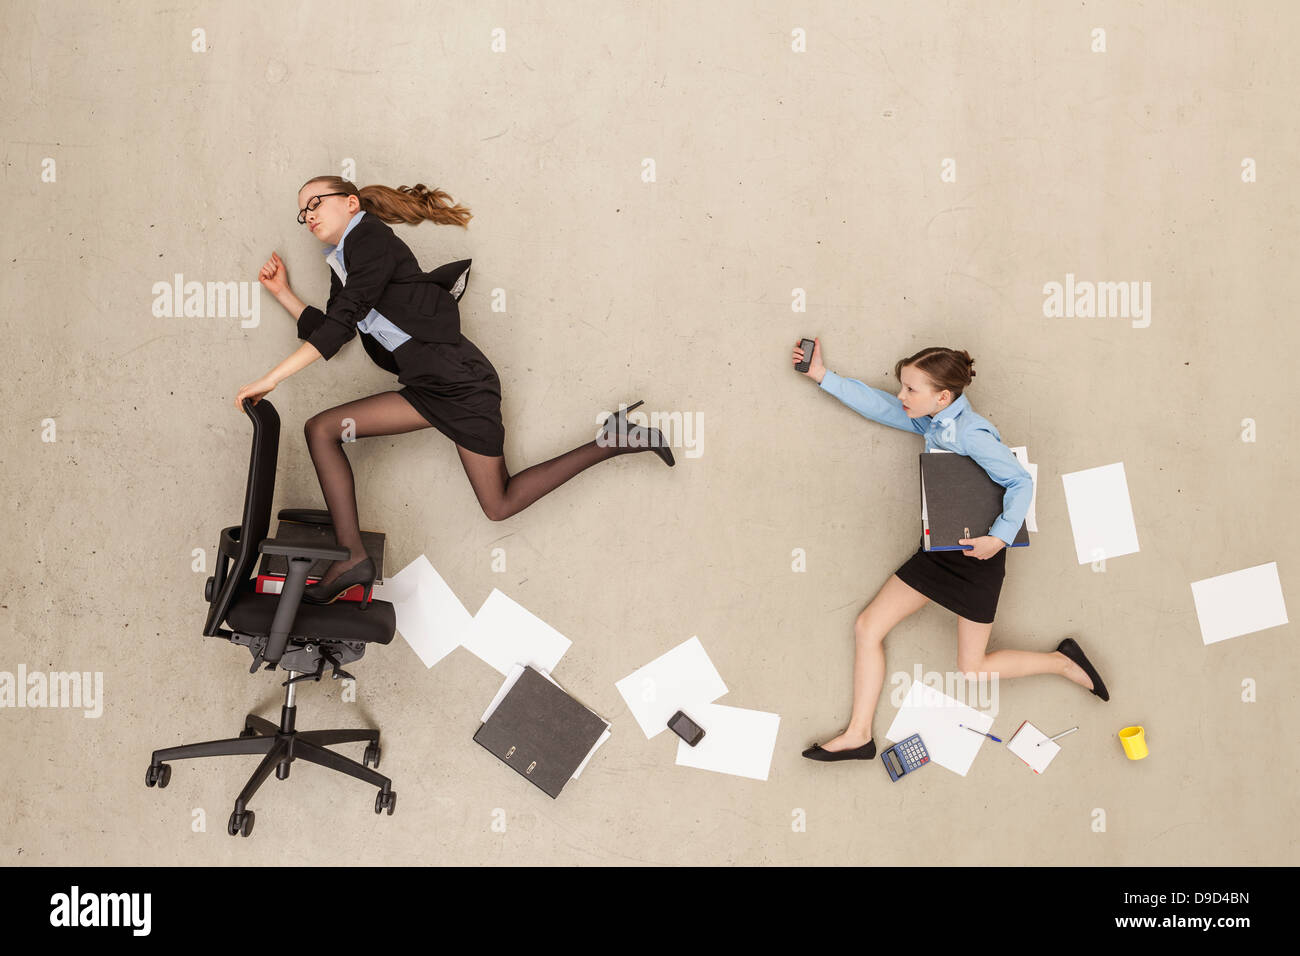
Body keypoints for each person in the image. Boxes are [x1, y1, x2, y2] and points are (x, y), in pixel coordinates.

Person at [237, 176, 674, 606]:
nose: (308, 215)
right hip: (429, 385)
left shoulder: (370, 238)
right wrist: (284, 293)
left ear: (351, 203)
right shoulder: (344, 259)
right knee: (323, 430)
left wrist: (271, 378)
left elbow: (341, 322)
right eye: (303, 211)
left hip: (461, 382)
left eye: (316, 202)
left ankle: (615, 441)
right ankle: (353, 558)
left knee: (498, 505)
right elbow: (338, 328)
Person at [792, 338, 1109, 762]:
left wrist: (998, 537)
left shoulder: (970, 432)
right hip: (939, 550)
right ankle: (859, 735)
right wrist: (822, 376)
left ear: (943, 396)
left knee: (971, 668)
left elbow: (1021, 482)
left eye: (911, 390)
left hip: (978, 558)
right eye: (903, 387)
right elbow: (882, 407)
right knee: (868, 626)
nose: (902, 396)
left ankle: (1062, 662)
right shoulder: (934, 420)